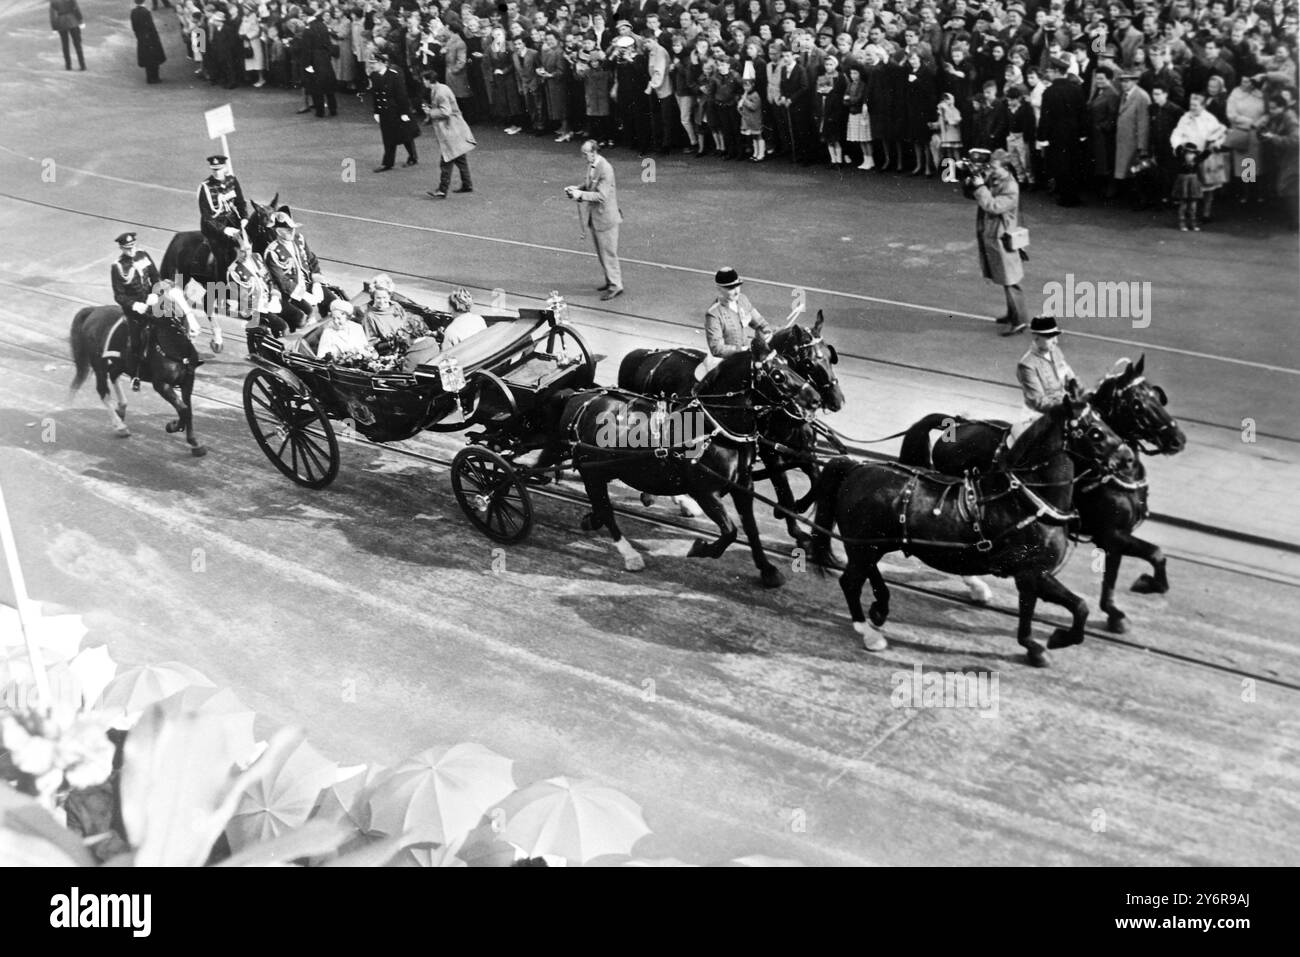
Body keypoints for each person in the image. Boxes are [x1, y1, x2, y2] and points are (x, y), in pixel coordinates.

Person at [969, 149, 1030, 336]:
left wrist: (980, 187)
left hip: (1002, 237)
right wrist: (974, 178)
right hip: (995, 236)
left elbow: (993, 206)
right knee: (1005, 279)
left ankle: (1019, 321)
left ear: (1005, 167)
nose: (991, 170)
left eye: (993, 167)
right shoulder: (997, 179)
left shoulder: (1010, 186)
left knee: (1010, 280)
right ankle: (1013, 314)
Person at [565, 139, 623, 301]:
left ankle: (615, 285)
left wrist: (580, 195)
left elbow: (602, 196)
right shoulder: (593, 165)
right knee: (602, 253)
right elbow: (589, 183)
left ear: (594, 152)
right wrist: (577, 188)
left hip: (606, 218)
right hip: (597, 217)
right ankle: (610, 280)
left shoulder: (605, 169)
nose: (583, 157)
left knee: (608, 253)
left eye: (585, 154)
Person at [1008, 315, 1076, 445]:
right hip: (1038, 416)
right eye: (1050, 337)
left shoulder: (1055, 351)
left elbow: (1067, 372)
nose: (1055, 341)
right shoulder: (1027, 365)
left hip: (1065, 407)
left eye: (1056, 336)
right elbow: (1038, 401)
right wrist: (1065, 407)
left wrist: (1075, 385)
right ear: (1036, 337)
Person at [110, 232, 162, 389]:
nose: (131, 250)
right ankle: (136, 374)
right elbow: (119, 295)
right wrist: (134, 306)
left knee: (173, 322)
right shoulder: (117, 266)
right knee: (137, 341)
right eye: (127, 248)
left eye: (132, 246)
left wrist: (154, 293)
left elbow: (156, 277)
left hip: (152, 302)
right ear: (121, 248)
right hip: (135, 310)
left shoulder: (143, 255)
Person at [699, 267, 772, 378]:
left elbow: (759, 322)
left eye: (738, 285)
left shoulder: (742, 300)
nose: (736, 290)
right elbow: (717, 348)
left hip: (747, 359)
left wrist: (766, 332)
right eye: (730, 288)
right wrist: (742, 350)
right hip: (726, 364)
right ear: (719, 288)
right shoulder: (713, 314)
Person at [1037, 56, 1087, 206]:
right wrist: (1083, 133)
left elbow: (1045, 117)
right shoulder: (1076, 89)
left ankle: (1064, 196)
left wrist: (1041, 136)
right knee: (1074, 164)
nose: (1048, 74)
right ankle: (1074, 195)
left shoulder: (1049, 92)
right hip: (1074, 132)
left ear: (1057, 71)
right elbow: (1082, 113)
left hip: (1056, 133)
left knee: (1060, 164)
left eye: (1050, 71)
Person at [264, 211, 324, 329]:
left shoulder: (299, 239)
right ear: (278, 230)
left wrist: (317, 282)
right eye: (287, 229)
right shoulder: (272, 252)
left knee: (332, 299)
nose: (291, 231)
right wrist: (304, 294)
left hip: (309, 284)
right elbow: (283, 281)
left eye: (292, 228)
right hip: (292, 293)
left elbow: (312, 260)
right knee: (309, 313)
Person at [197, 154, 248, 286]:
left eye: (219, 169)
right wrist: (224, 229)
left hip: (233, 220)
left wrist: (244, 218)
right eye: (214, 170)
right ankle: (222, 289)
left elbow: (241, 202)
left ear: (224, 167)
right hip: (214, 227)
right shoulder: (205, 187)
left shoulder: (232, 180)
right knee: (222, 257)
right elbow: (207, 217)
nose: (217, 173)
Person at [423, 74, 476, 198]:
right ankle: (467, 184)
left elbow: (446, 111)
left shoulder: (440, 93)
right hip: (456, 128)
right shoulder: (441, 88)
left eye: (424, 80)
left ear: (428, 80)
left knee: (446, 160)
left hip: (450, 130)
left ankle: (442, 190)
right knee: (460, 159)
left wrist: (430, 112)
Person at [227, 238, 286, 335]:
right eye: (242, 251)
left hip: (269, 300)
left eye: (248, 250)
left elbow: (270, 280)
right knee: (282, 326)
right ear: (235, 250)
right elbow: (244, 299)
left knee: (293, 315)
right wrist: (264, 307)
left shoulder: (257, 258)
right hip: (253, 308)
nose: (246, 254)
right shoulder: (233, 271)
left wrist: (274, 296)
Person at [370, 51, 417, 172]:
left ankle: (412, 156)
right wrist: (376, 111)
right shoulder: (374, 76)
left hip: (396, 110)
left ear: (381, 63)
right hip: (384, 111)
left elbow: (402, 95)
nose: (372, 66)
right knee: (387, 137)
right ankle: (387, 163)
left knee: (405, 135)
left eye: (374, 63)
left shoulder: (394, 75)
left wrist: (404, 112)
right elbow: (376, 95)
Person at [300, 2, 338, 117]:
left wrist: (307, 64)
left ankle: (320, 111)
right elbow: (328, 43)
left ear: (306, 16)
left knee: (316, 87)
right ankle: (333, 109)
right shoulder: (322, 25)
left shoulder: (308, 29)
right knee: (328, 85)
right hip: (325, 58)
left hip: (314, 59)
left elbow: (307, 49)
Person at [130, 0, 166, 84]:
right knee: (154, 57)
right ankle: (155, 77)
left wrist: (138, 35)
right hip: (150, 38)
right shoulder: (146, 12)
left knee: (147, 58)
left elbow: (134, 26)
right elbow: (151, 26)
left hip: (141, 38)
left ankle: (149, 78)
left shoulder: (133, 12)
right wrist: (155, 37)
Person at [50, 0, 85, 71]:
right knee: (77, 43)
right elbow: (76, 8)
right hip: (73, 21)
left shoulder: (53, 1)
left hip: (61, 22)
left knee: (65, 45)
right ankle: (82, 65)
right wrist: (80, 19)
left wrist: (54, 27)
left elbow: (52, 15)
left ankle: (68, 65)